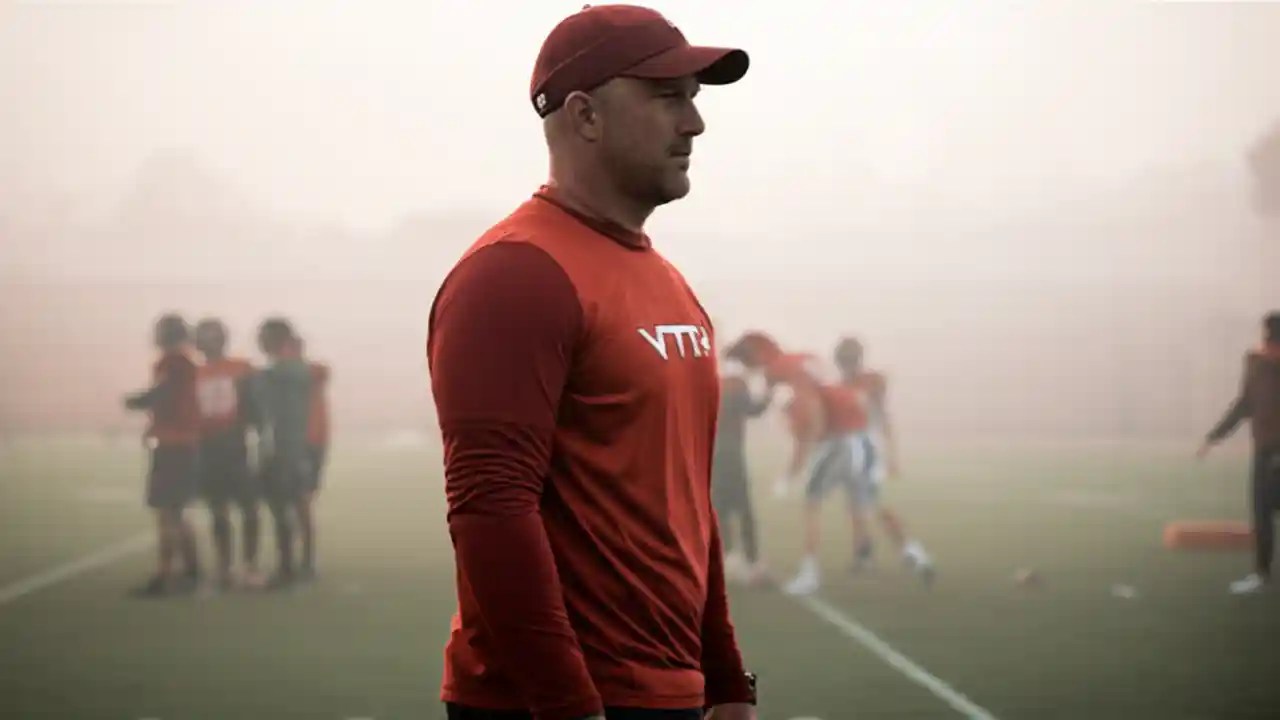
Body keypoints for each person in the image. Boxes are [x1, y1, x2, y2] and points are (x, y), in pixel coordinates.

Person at [426, 5, 756, 719]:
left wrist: (726, 678)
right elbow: (490, 506)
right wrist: (567, 705)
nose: (694, 123)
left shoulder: (668, 282)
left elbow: (687, 503)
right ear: (585, 117)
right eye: (668, 96)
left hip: (667, 694)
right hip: (554, 704)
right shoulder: (516, 274)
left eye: (694, 99)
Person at [782, 337, 935, 596]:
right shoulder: (861, 383)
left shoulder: (853, 386)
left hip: (851, 443)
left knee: (814, 501)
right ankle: (910, 552)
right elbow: (879, 414)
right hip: (866, 446)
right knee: (867, 504)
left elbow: (829, 422)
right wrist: (890, 453)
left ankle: (810, 573)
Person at [1198, 311, 1280, 595]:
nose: (1268, 347)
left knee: (1269, 507)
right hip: (1265, 451)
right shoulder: (1256, 365)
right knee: (1261, 512)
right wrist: (1215, 436)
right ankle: (1262, 574)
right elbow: (1244, 404)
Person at [123, 313, 202, 596]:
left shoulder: (174, 362)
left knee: (167, 512)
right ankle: (190, 572)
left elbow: (164, 392)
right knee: (176, 511)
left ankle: (167, 574)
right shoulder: (185, 362)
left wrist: (138, 401)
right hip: (182, 443)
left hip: (173, 445)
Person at [193, 318, 263, 590]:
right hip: (206, 447)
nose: (208, 341)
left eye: (212, 336)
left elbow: (256, 403)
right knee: (217, 509)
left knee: (248, 506)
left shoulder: (242, 369)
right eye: (203, 336)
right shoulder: (194, 373)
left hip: (235, 445)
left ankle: (250, 565)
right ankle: (224, 567)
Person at [252, 318, 313, 589]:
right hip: (288, 447)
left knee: (283, 508)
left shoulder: (282, 372)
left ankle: (288, 567)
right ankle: (297, 564)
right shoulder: (284, 372)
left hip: (284, 449)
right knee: (291, 506)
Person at [714, 351, 775, 586]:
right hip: (730, 451)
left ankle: (729, 556)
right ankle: (751, 561)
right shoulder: (735, 385)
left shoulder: (714, 382)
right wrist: (769, 392)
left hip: (714, 449)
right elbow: (753, 410)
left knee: (722, 505)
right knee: (743, 507)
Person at [295, 336, 330, 579]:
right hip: (295, 442)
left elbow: (322, 371)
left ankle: (307, 560)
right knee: (296, 501)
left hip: (310, 441)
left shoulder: (311, 372)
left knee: (302, 499)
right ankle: (299, 559)